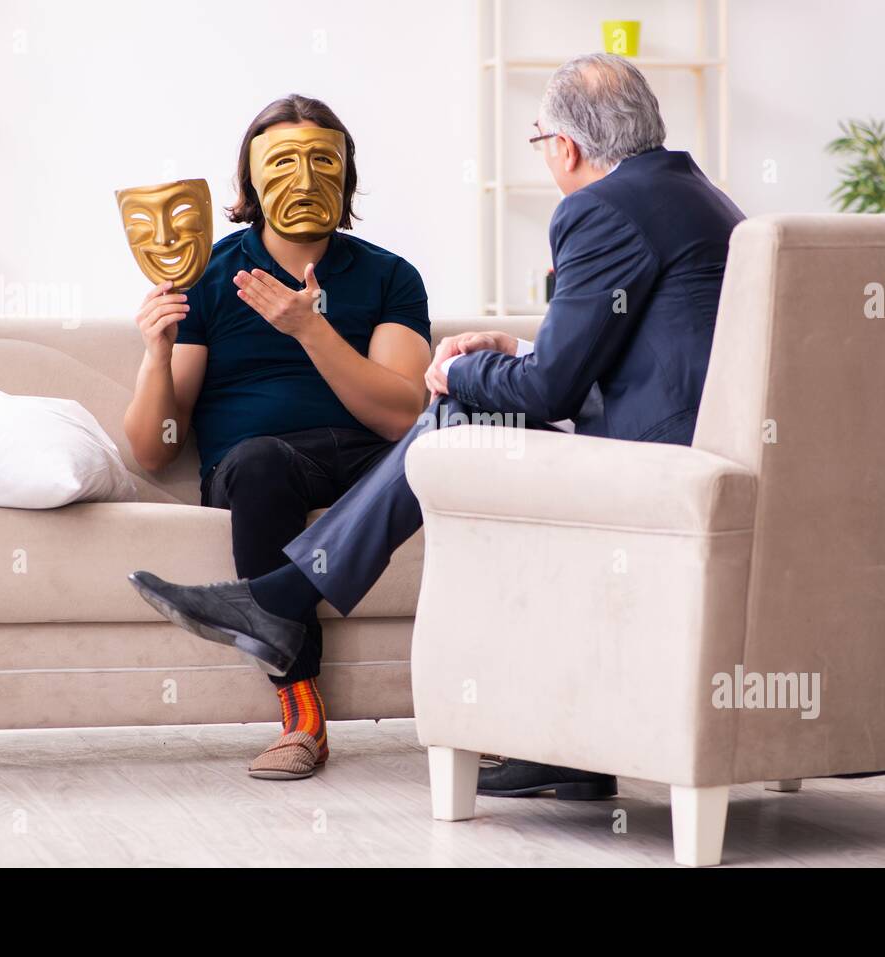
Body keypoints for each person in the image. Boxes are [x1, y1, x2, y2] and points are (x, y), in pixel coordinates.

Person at [130, 53, 746, 793]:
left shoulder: (599, 209)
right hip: (694, 450)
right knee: (452, 426)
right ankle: (565, 753)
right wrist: (512, 349)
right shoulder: (703, 199)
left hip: (656, 465)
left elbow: (545, 387)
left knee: (454, 417)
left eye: (539, 140)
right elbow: (628, 354)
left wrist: (454, 372)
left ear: (567, 147)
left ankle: (280, 598)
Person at [123, 95, 432, 779]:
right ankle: (300, 713)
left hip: (363, 459)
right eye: (283, 163)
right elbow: (153, 450)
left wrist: (310, 329)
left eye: (323, 163)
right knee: (263, 462)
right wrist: (155, 352)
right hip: (258, 464)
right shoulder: (207, 273)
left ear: (346, 178)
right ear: (250, 183)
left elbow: (403, 417)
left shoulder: (389, 276)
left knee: (446, 440)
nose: (303, 180)